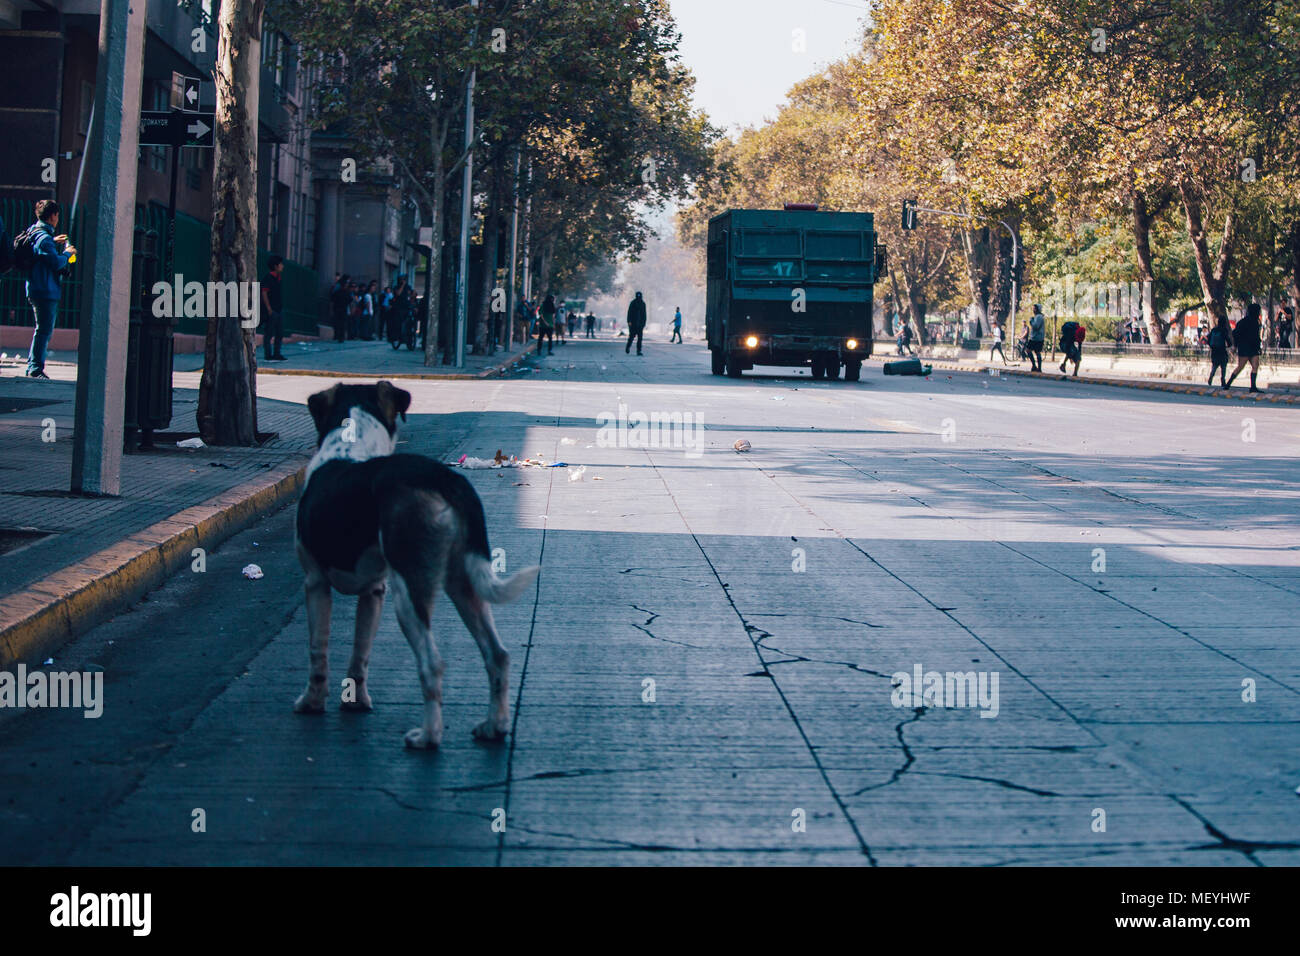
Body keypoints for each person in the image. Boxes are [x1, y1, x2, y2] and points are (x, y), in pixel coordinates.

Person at [19, 200, 76, 379]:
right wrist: (68, 253)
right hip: (45, 289)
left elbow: (40, 250)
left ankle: (33, 366)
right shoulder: (44, 238)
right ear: (53, 216)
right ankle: (35, 368)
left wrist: (53, 240)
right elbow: (55, 262)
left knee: (41, 329)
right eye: (57, 215)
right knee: (44, 330)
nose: (58, 218)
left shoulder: (35, 231)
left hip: (36, 287)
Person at [1226, 303, 1263, 392]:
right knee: (1242, 366)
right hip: (1248, 347)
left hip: (1248, 348)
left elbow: (1236, 334)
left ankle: (1253, 386)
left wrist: (1236, 345)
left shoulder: (1246, 322)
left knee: (1253, 366)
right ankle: (1228, 383)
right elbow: (1255, 336)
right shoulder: (1251, 322)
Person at [260, 255, 287, 361]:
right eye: (280, 264)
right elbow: (264, 293)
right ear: (275, 266)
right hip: (272, 310)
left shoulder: (278, 278)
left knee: (279, 333)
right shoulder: (268, 278)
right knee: (269, 333)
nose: (282, 266)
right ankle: (268, 354)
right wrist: (269, 309)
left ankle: (277, 353)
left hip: (279, 308)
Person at [1206, 314, 1231, 387]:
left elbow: (1209, 340)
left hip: (1214, 351)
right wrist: (1229, 345)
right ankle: (1223, 381)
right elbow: (1228, 340)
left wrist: (1212, 346)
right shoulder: (1224, 330)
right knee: (1223, 366)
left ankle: (1211, 377)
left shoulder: (1214, 329)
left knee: (1214, 366)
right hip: (1222, 350)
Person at [329, 273, 351, 342]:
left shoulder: (338, 291)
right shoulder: (345, 292)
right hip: (342, 309)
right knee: (342, 323)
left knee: (338, 323)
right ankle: (340, 337)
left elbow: (332, 301)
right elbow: (350, 301)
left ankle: (338, 336)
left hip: (338, 309)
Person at [626, 290, 647, 355]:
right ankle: (628, 347)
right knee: (631, 337)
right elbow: (629, 313)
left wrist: (643, 323)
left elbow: (644, 314)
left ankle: (638, 351)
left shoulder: (643, 304)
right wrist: (629, 321)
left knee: (640, 339)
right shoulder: (633, 303)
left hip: (640, 324)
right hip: (633, 324)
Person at [1027, 303, 1046, 372]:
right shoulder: (1038, 317)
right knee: (1034, 351)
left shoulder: (1038, 317)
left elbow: (1036, 326)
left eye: (1034, 309)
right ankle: (1035, 366)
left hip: (1036, 338)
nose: (1033, 310)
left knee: (1031, 351)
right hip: (1036, 337)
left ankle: (1037, 367)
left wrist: (1031, 321)